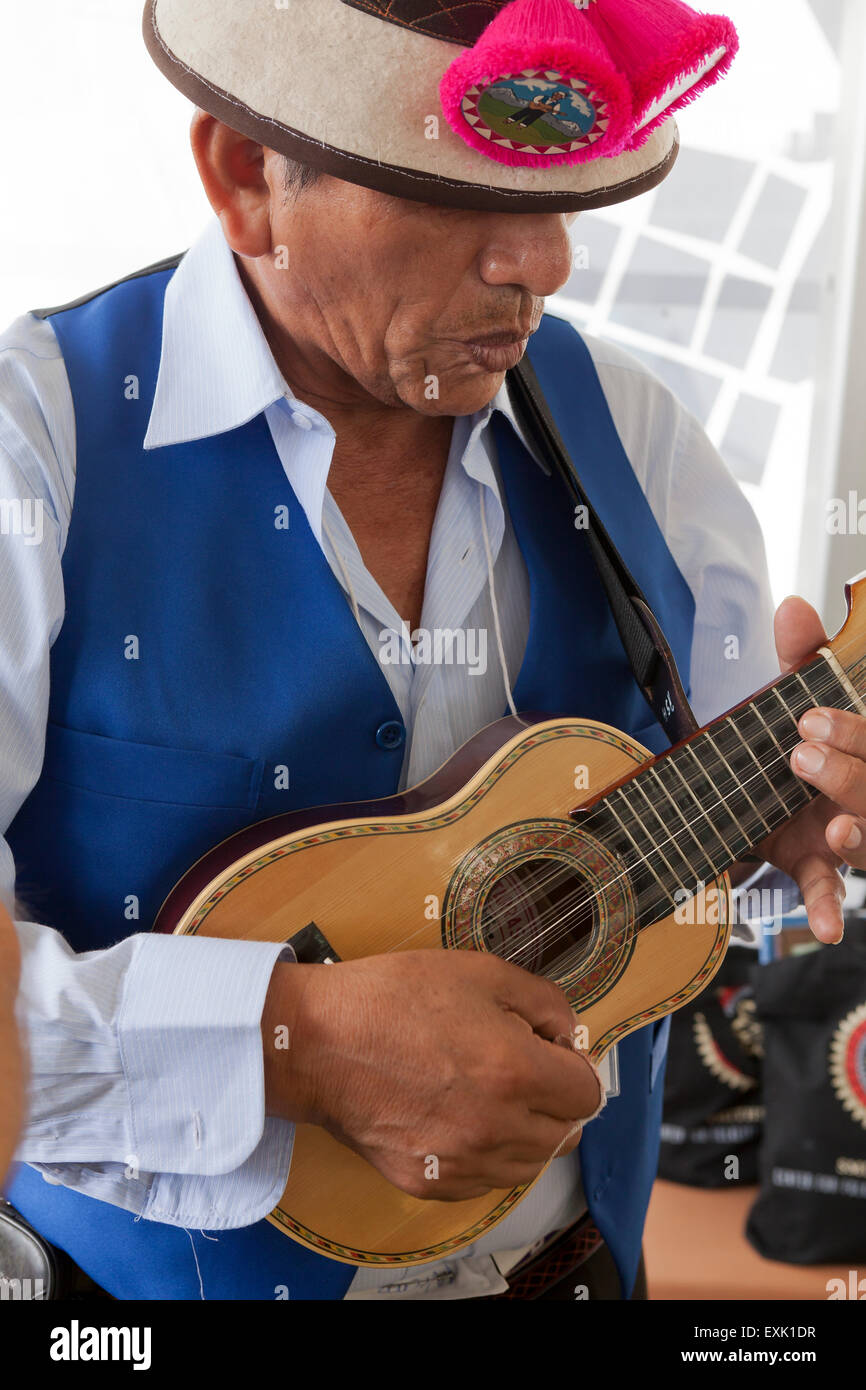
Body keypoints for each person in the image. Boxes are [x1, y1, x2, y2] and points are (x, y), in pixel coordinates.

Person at [1, 0, 862, 1302]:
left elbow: (712, 824)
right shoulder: (39, 449)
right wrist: (289, 1042)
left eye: (561, 198)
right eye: (461, 197)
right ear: (246, 178)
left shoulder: (630, 431)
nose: (546, 263)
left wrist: (795, 804)